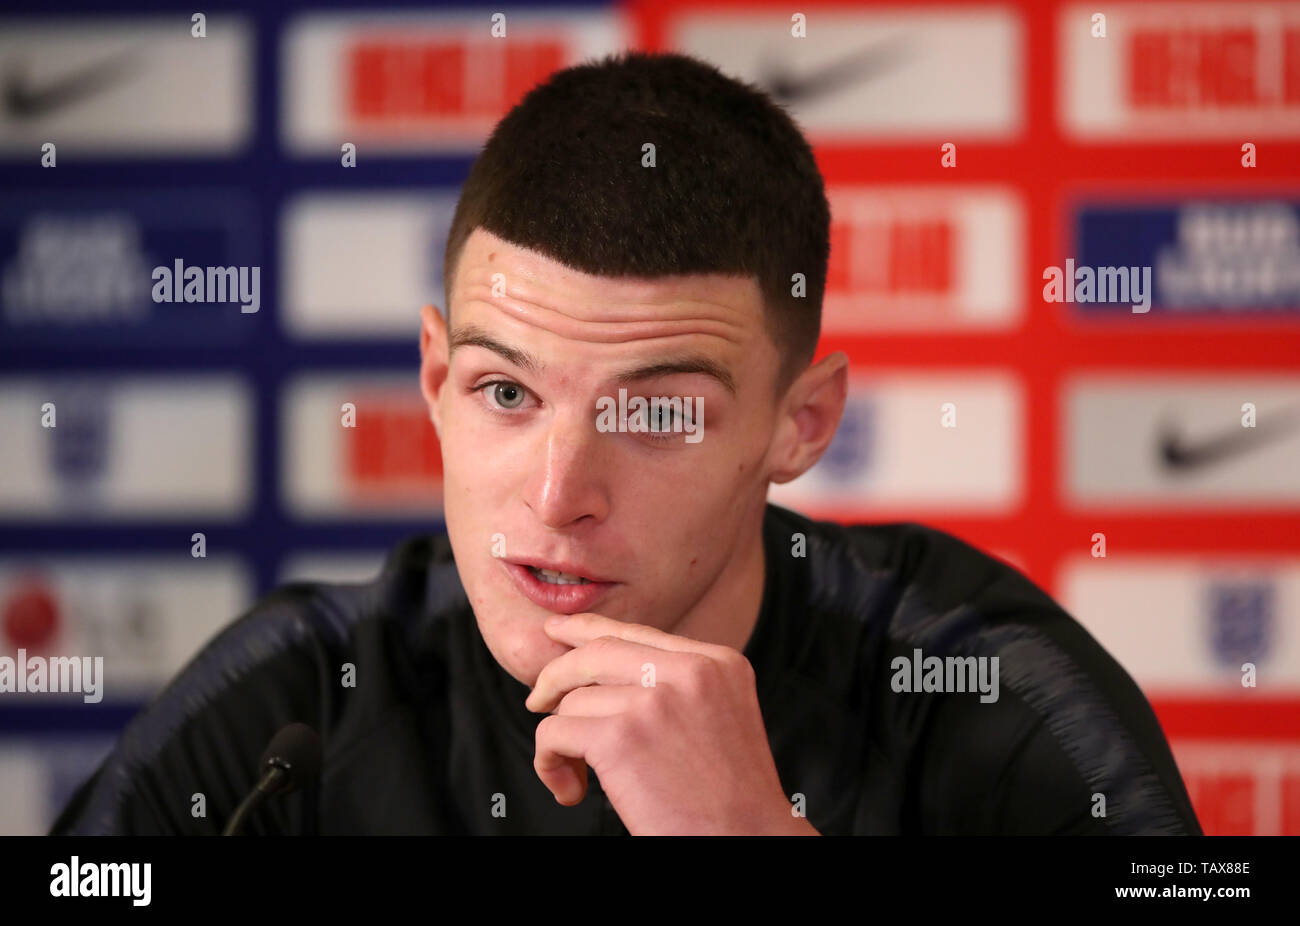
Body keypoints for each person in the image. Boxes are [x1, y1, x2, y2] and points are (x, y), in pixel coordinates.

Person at [50, 50, 1201, 836]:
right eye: (506, 392)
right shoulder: (296, 704)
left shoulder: (979, 690)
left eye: (655, 413)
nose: (558, 493)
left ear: (800, 423)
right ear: (436, 381)